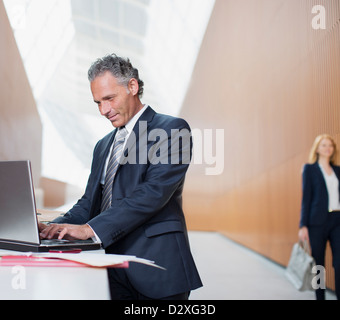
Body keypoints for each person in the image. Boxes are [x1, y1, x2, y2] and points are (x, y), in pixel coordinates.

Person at [39, 53, 202, 300]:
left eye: (109, 98)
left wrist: (89, 229)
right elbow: (89, 202)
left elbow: (152, 193)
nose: (104, 110)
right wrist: (51, 229)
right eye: (97, 103)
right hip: (111, 267)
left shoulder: (171, 129)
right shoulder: (103, 146)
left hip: (156, 267)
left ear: (132, 86)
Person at [298, 134, 340, 300]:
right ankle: (320, 297)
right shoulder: (309, 169)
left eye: (330, 145)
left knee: (338, 263)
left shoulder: (337, 170)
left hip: (337, 220)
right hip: (316, 222)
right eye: (323, 145)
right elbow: (306, 198)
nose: (327, 148)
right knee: (319, 265)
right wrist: (303, 225)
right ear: (317, 149)